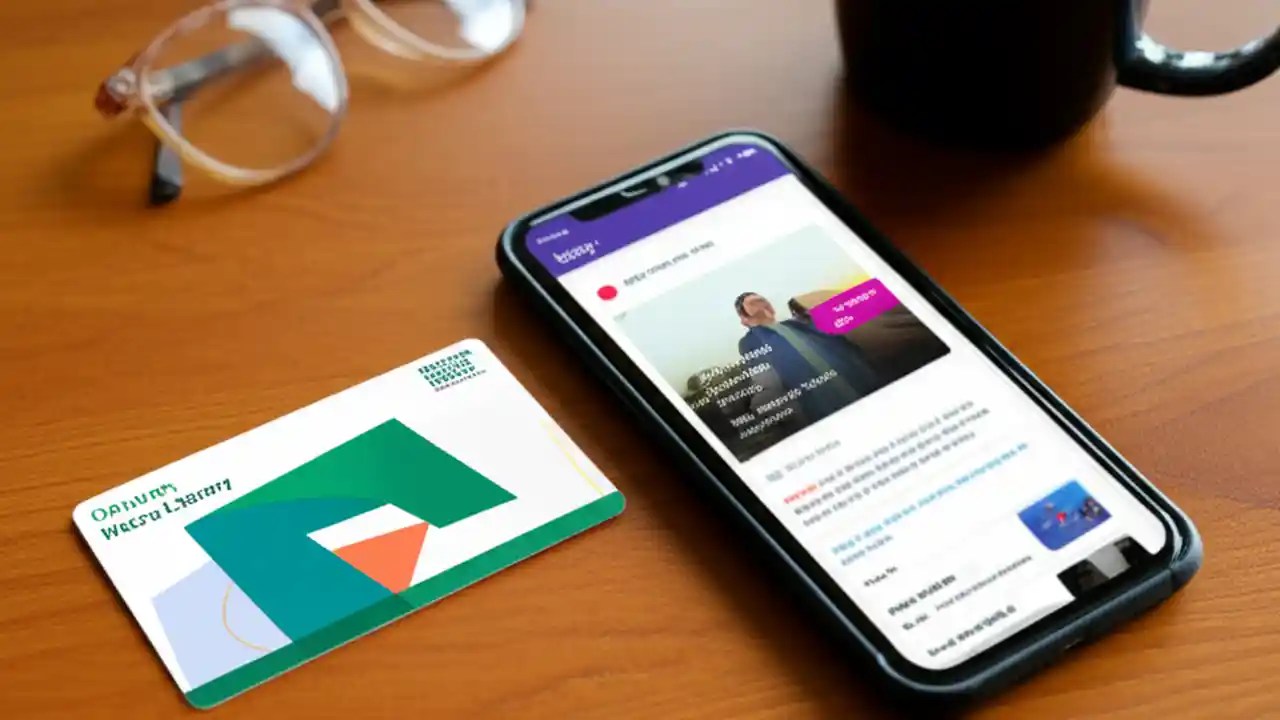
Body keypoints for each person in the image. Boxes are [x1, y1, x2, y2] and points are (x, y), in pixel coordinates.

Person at [735, 291, 880, 423]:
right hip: (826, 408)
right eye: (755, 303)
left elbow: (836, 335)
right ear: (744, 319)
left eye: (763, 300)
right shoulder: (750, 342)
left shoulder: (794, 324)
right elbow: (769, 386)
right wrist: (800, 414)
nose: (763, 304)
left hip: (863, 388)